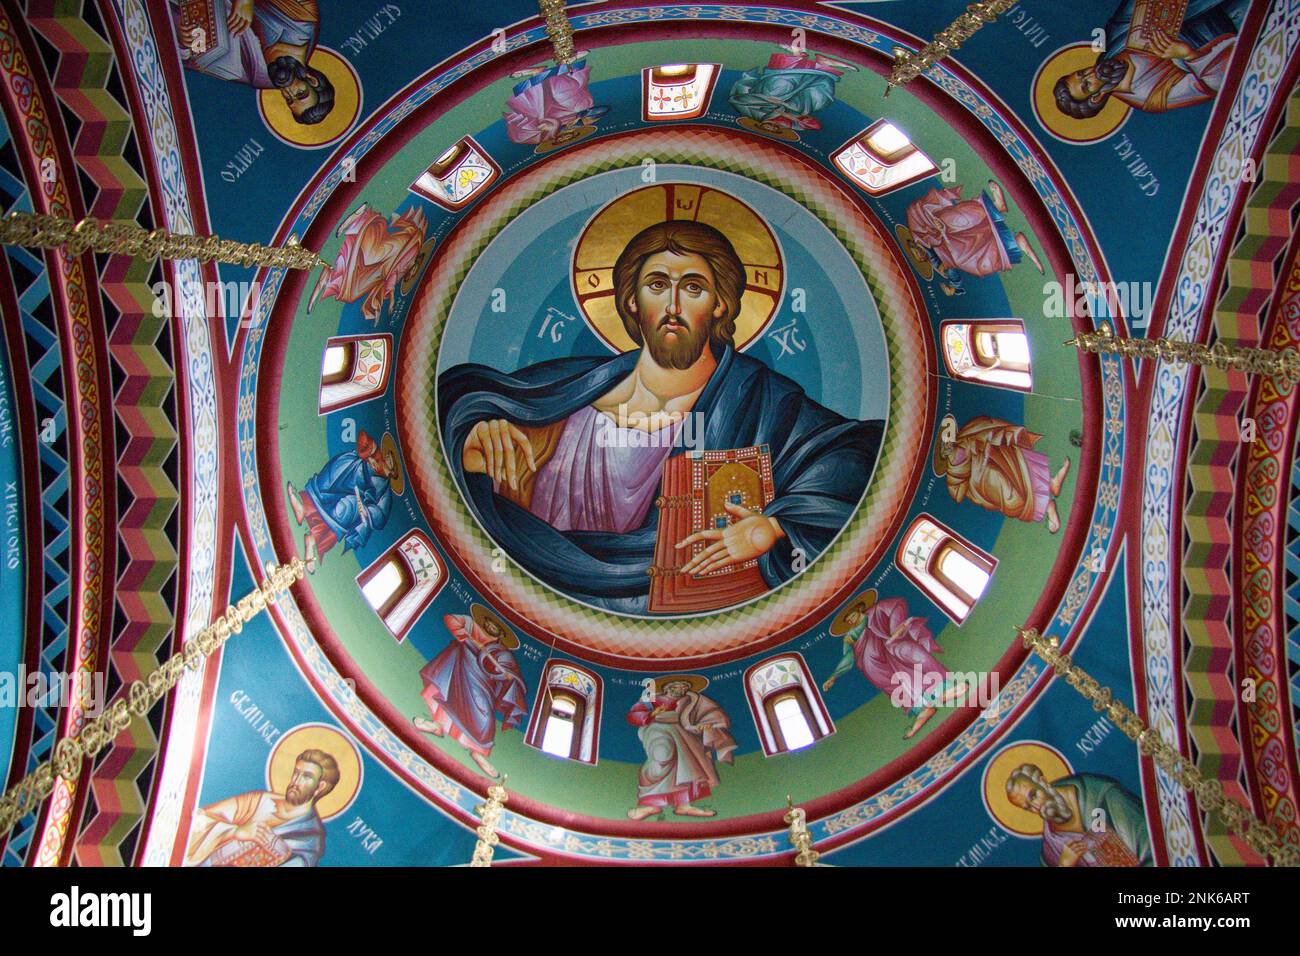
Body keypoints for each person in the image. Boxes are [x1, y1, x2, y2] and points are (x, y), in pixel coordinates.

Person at [438, 220, 883, 613]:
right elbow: (465, 417)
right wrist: (479, 435)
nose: (673, 305)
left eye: (693, 287)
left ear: (720, 305)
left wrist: (775, 526)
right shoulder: (566, 393)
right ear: (631, 302)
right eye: (656, 285)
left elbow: (855, 460)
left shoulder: (765, 401)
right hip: (548, 603)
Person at [1053, 0, 1247, 118]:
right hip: (1233, 20)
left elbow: (1131, 9)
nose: (1090, 73)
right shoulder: (1150, 96)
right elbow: (1217, 84)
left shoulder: (1112, 43)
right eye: (1087, 84)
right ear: (1096, 97)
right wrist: (1187, 54)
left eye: (1081, 73)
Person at [823, 593, 965, 739]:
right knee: (893, 684)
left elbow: (898, 604)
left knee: (915, 655)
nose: (851, 620)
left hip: (892, 644)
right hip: (873, 664)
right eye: (848, 620)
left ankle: (945, 688)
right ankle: (922, 709)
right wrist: (834, 676)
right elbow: (848, 656)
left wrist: (894, 630)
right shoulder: (850, 636)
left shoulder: (876, 610)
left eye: (851, 615)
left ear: (859, 609)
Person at [170, 0, 335, 125]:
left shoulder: (257, 75)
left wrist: (186, 43)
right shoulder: (303, 19)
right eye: (300, 94)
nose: (288, 93)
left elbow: (192, 59)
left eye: (289, 100)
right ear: (312, 80)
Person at [413, 606, 527, 780]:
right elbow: (451, 619)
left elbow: (510, 675)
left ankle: (478, 752)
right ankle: (438, 726)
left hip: (483, 685)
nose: (491, 627)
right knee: (448, 694)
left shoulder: (503, 652)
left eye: (497, 628)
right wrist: (468, 639)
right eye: (490, 623)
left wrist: (504, 673)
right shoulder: (472, 627)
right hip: (461, 666)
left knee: (484, 716)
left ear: (501, 634)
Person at [185, 749, 337, 866]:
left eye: (306, 777)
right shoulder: (260, 801)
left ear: (320, 786)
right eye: (296, 773)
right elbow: (199, 819)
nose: (296, 781)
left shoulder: (309, 839)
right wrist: (234, 832)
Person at [286, 430, 400, 571]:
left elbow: (381, 516)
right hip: (347, 481)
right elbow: (363, 438)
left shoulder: (385, 491)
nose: (387, 459)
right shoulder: (371, 461)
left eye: (390, 461)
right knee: (343, 464)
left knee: (347, 507)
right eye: (387, 456)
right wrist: (369, 454)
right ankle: (304, 508)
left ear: (393, 472)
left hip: (355, 504)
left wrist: (366, 510)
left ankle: (313, 540)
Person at [625, 676, 736, 820]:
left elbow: (707, 714)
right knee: (661, 757)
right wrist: (653, 713)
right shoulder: (651, 699)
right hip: (658, 729)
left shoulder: (692, 700)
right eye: (678, 686)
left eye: (685, 687)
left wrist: (704, 725)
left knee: (687, 766)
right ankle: (651, 804)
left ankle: (684, 805)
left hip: (684, 731)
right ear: (667, 687)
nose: (682, 689)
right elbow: (634, 715)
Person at [936, 415, 1071, 533]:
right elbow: (957, 492)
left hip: (995, 461)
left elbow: (985, 432)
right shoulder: (952, 469)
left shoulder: (964, 438)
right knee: (1013, 499)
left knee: (1019, 468)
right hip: (984, 482)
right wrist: (971, 467)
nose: (948, 443)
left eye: (948, 437)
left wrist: (983, 448)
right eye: (945, 443)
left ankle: (1052, 484)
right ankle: (1047, 505)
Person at [905, 180, 1043, 296]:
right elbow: (951, 270)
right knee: (968, 262)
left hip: (944, 228)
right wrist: (953, 288)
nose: (918, 254)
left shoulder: (920, 234)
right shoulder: (935, 263)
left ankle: (996, 206)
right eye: (917, 256)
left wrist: (939, 228)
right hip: (955, 247)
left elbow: (919, 215)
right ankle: (1014, 243)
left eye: (915, 251)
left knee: (953, 219)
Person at [1006, 764, 1153, 866]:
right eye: (1028, 807)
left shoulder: (1103, 797)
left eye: (1033, 795)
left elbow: (1152, 846)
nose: (1036, 807)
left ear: (1043, 782)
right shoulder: (1052, 849)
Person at [309, 204, 430, 323]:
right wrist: (392, 298)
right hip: (389, 251)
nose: (413, 271)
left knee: (351, 293)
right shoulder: (412, 253)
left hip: (381, 268)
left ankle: (329, 276)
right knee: (367, 253)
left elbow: (394, 274)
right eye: (414, 269)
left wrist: (390, 295)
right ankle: (357, 218)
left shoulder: (414, 248)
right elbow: (395, 271)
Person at [728, 47, 857, 131]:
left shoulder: (752, 114)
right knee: (819, 101)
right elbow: (816, 126)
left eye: (768, 126)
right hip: (793, 104)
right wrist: (793, 116)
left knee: (780, 87)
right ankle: (823, 64)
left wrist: (767, 100)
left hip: (766, 96)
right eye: (775, 128)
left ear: (760, 124)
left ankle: (796, 55)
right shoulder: (790, 125)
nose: (773, 125)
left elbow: (736, 99)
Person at [503, 57, 609, 146]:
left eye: (561, 140)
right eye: (568, 137)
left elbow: (522, 135)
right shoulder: (580, 123)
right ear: (574, 134)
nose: (564, 138)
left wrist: (550, 126)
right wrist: (583, 115)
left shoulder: (545, 137)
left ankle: (537, 74)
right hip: (569, 110)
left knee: (536, 109)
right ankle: (566, 63)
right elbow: (604, 110)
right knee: (575, 102)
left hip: (546, 115)